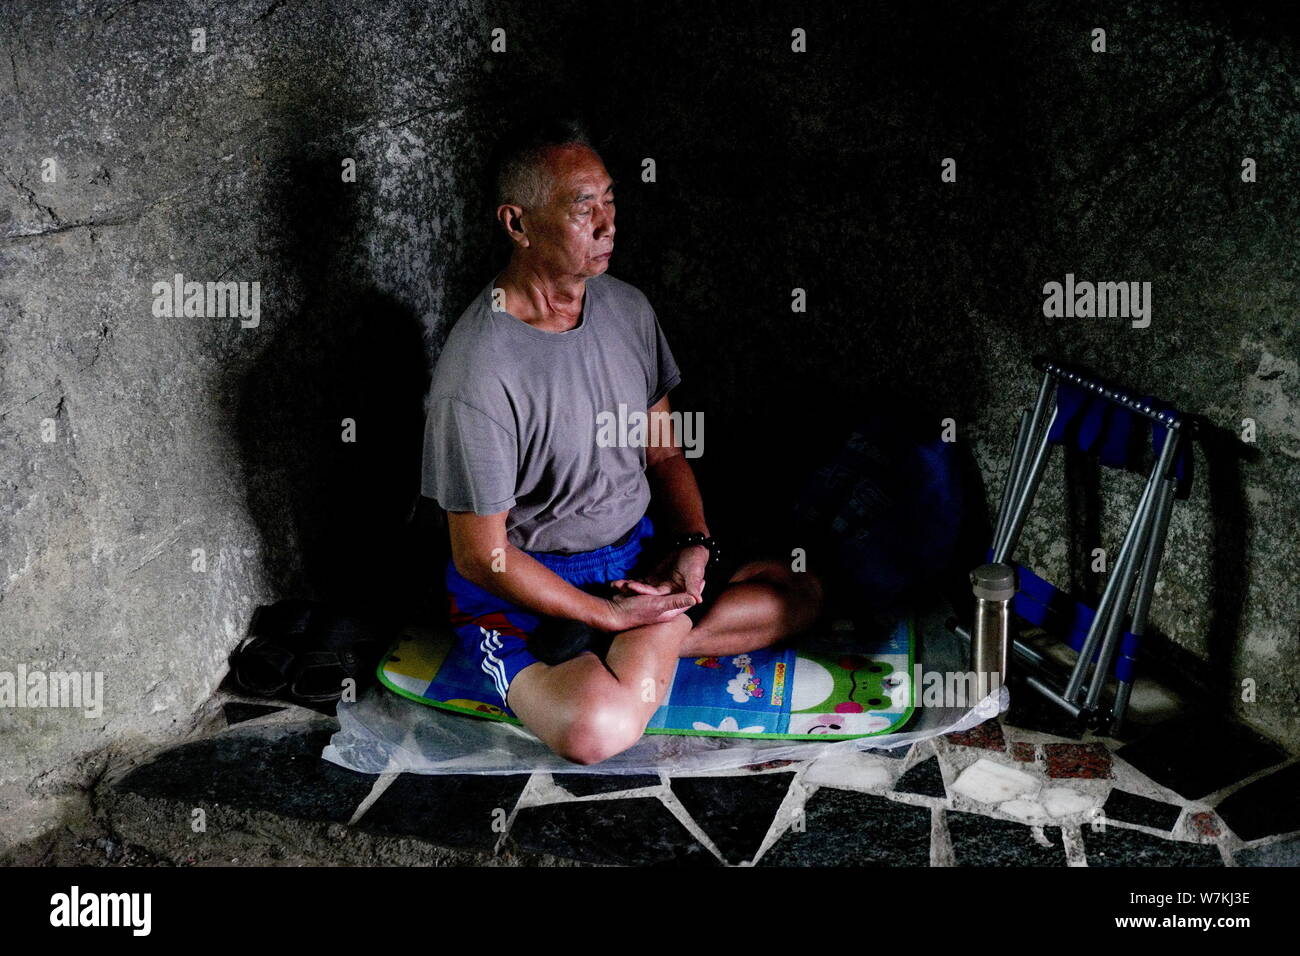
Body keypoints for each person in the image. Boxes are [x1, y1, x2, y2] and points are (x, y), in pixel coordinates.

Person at [420, 117, 824, 764]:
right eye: (584, 209)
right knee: (595, 732)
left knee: (798, 593)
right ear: (517, 224)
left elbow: (662, 453)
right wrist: (601, 614)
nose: (609, 225)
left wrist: (691, 546)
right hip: (526, 596)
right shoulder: (479, 370)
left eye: (611, 199)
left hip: (633, 566)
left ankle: (656, 632)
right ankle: (640, 637)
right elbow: (480, 557)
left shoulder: (626, 309)